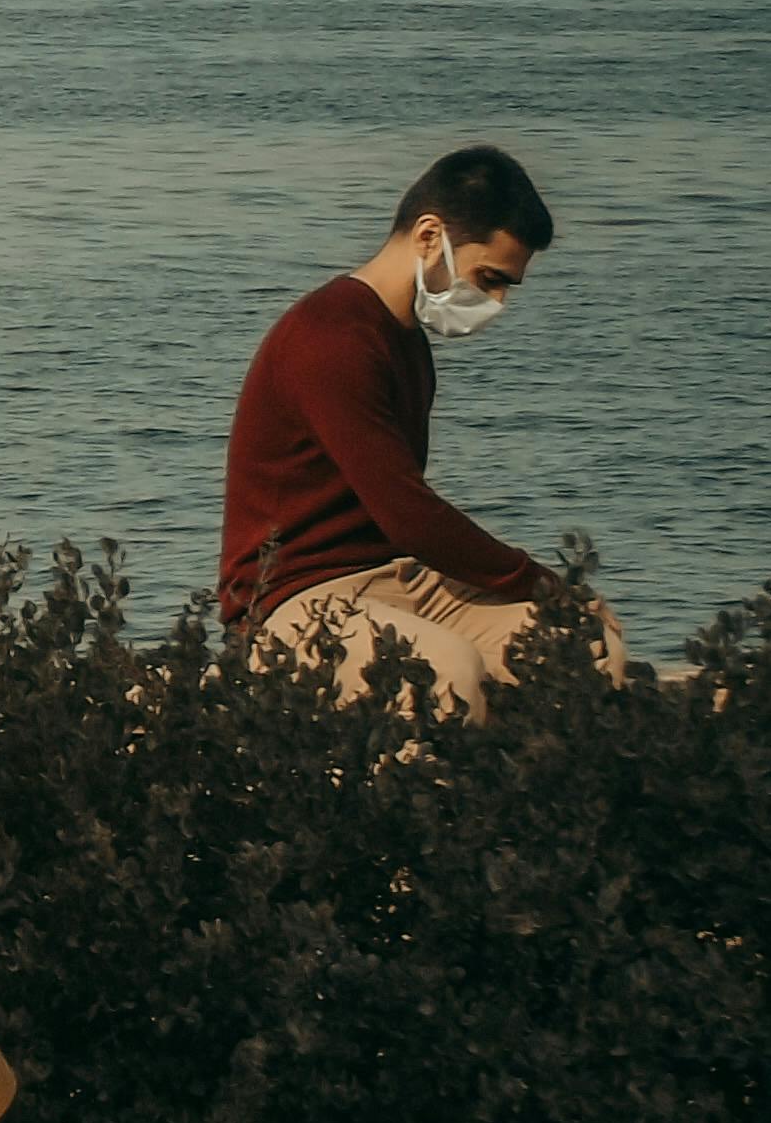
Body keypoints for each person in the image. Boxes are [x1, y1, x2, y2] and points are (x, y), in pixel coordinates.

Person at [219, 144, 620, 707]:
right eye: (489, 278)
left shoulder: (404, 341)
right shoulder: (330, 338)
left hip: (397, 578)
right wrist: (542, 582)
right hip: (293, 595)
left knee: (586, 642)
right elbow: (408, 513)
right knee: (441, 671)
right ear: (429, 235)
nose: (497, 301)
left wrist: (557, 601)